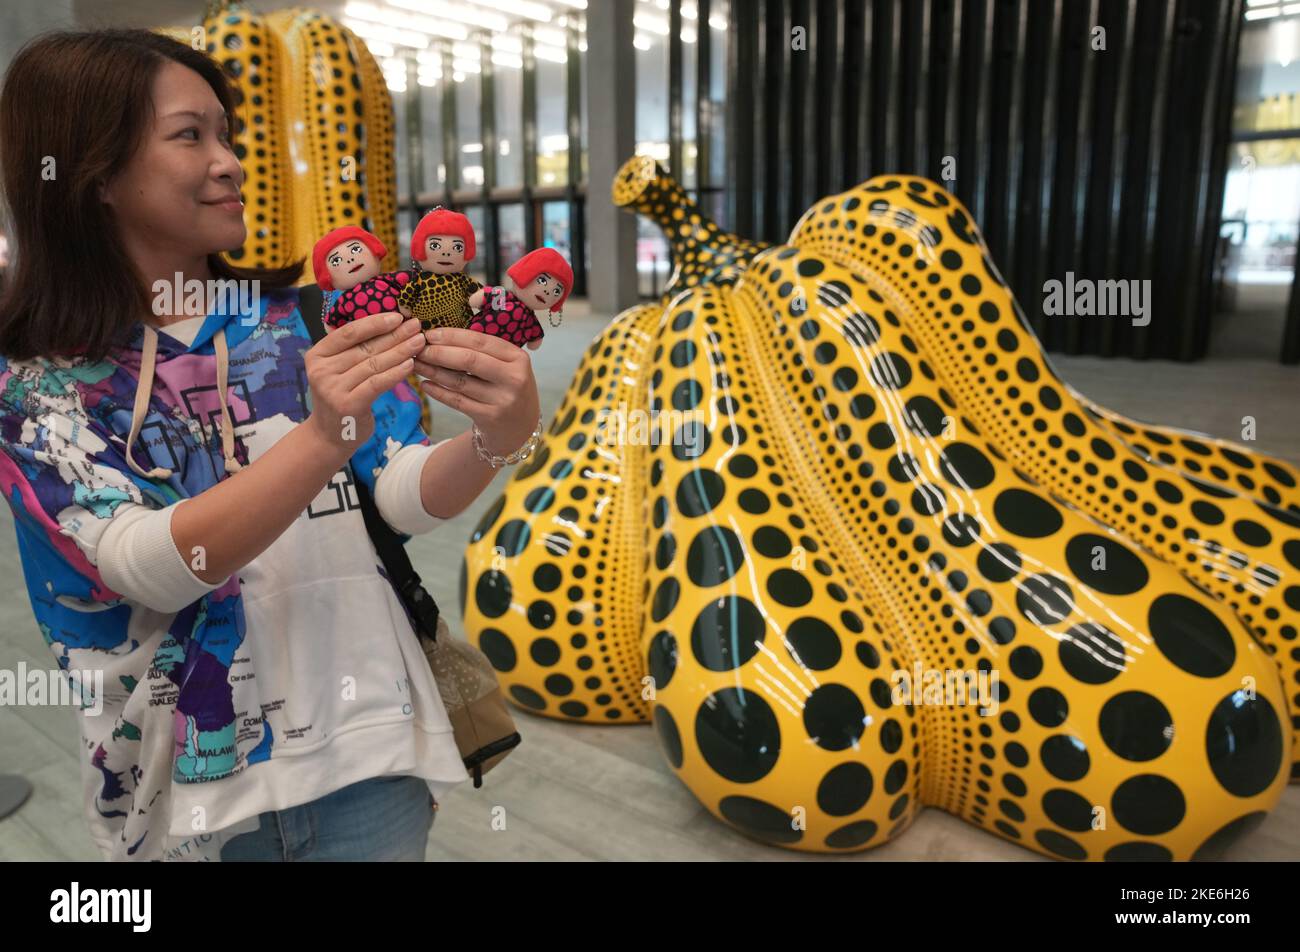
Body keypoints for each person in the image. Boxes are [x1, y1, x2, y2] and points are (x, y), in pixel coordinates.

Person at [0, 29, 542, 861]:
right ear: (94, 172)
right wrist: (322, 438)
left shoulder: (310, 318)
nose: (231, 163)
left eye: (228, 134)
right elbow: (144, 565)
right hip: (182, 800)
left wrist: (498, 436)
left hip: (371, 761)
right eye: (191, 136)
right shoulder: (38, 383)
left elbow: (395, 491)